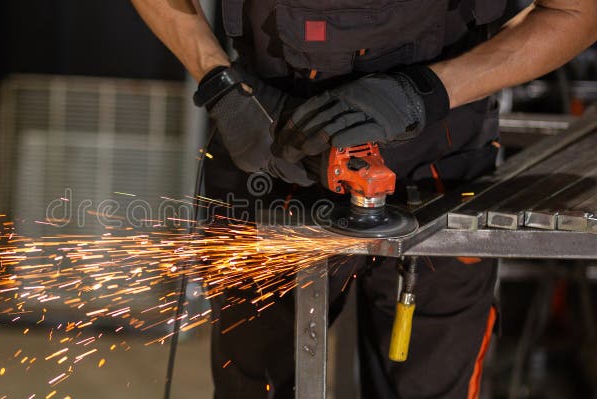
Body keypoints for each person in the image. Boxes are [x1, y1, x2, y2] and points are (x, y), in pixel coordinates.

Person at [131, 0, 597, 397]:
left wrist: (426, 92)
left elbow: (577, 10)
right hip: (267, 136)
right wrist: (222, 85)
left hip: (441, 152)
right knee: (257, 384)